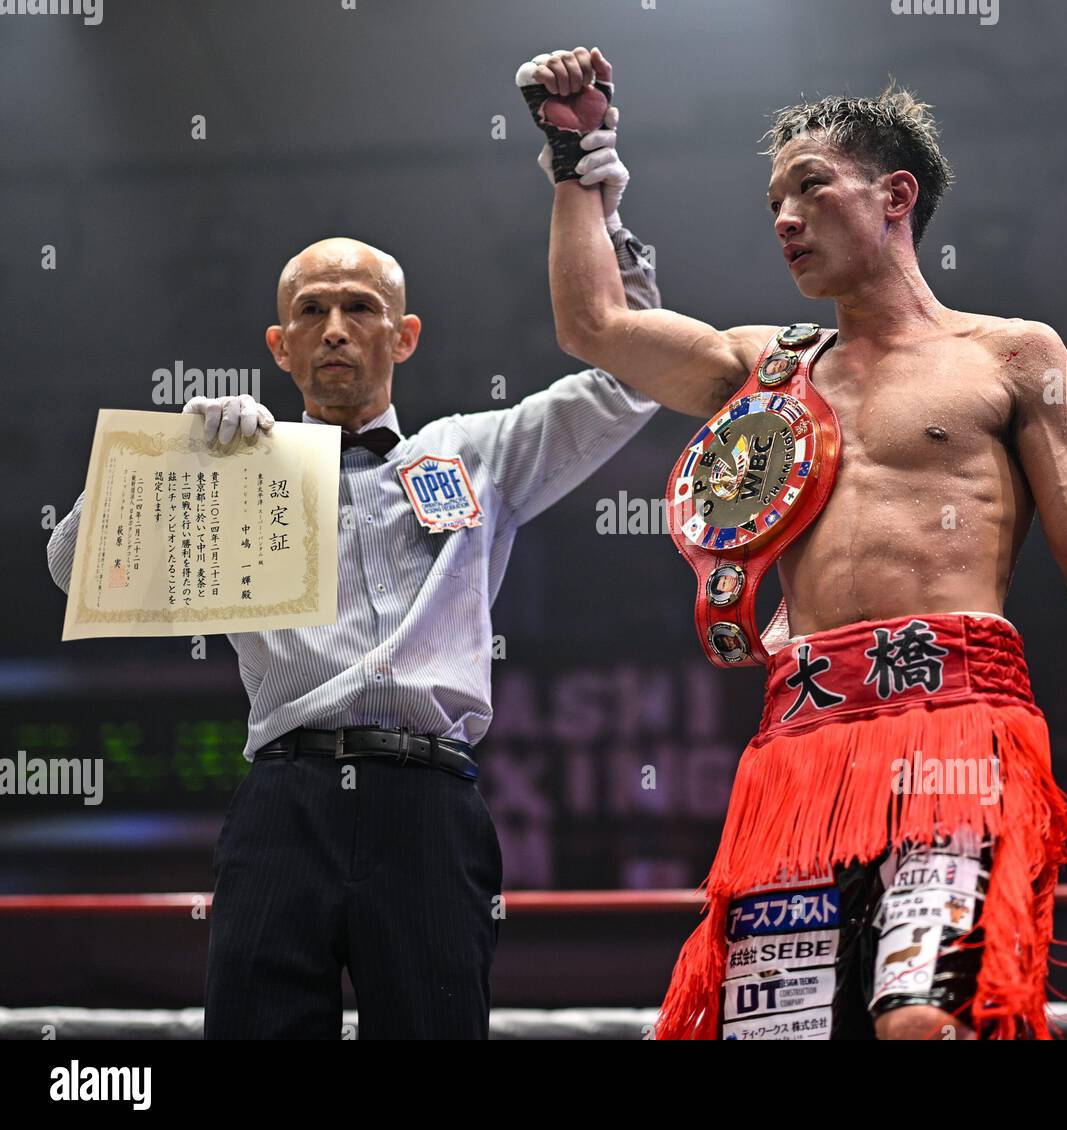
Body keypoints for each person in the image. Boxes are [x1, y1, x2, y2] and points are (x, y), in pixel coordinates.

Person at [532, 47, 1067, 1040]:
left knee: (923, 1022)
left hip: (956, 726)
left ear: (895, 196)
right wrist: (577, 160)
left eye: (810, 187)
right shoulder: (766, 368)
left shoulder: (1012, 355)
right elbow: (593, 325)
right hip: (800, 746)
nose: (784, 219)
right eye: (772, 202)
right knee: (786, 1033)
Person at [46, 97, 660, 1037]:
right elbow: (71, 566)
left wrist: (594, 199)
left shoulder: (476, 453)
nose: (335, 327)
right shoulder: (236, 470)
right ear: (280, 345)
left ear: (403, 335)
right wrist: (181, 460)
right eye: (312, 310)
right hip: (283, 800)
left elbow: (633, 377)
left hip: (429, 801)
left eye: (360, 307)